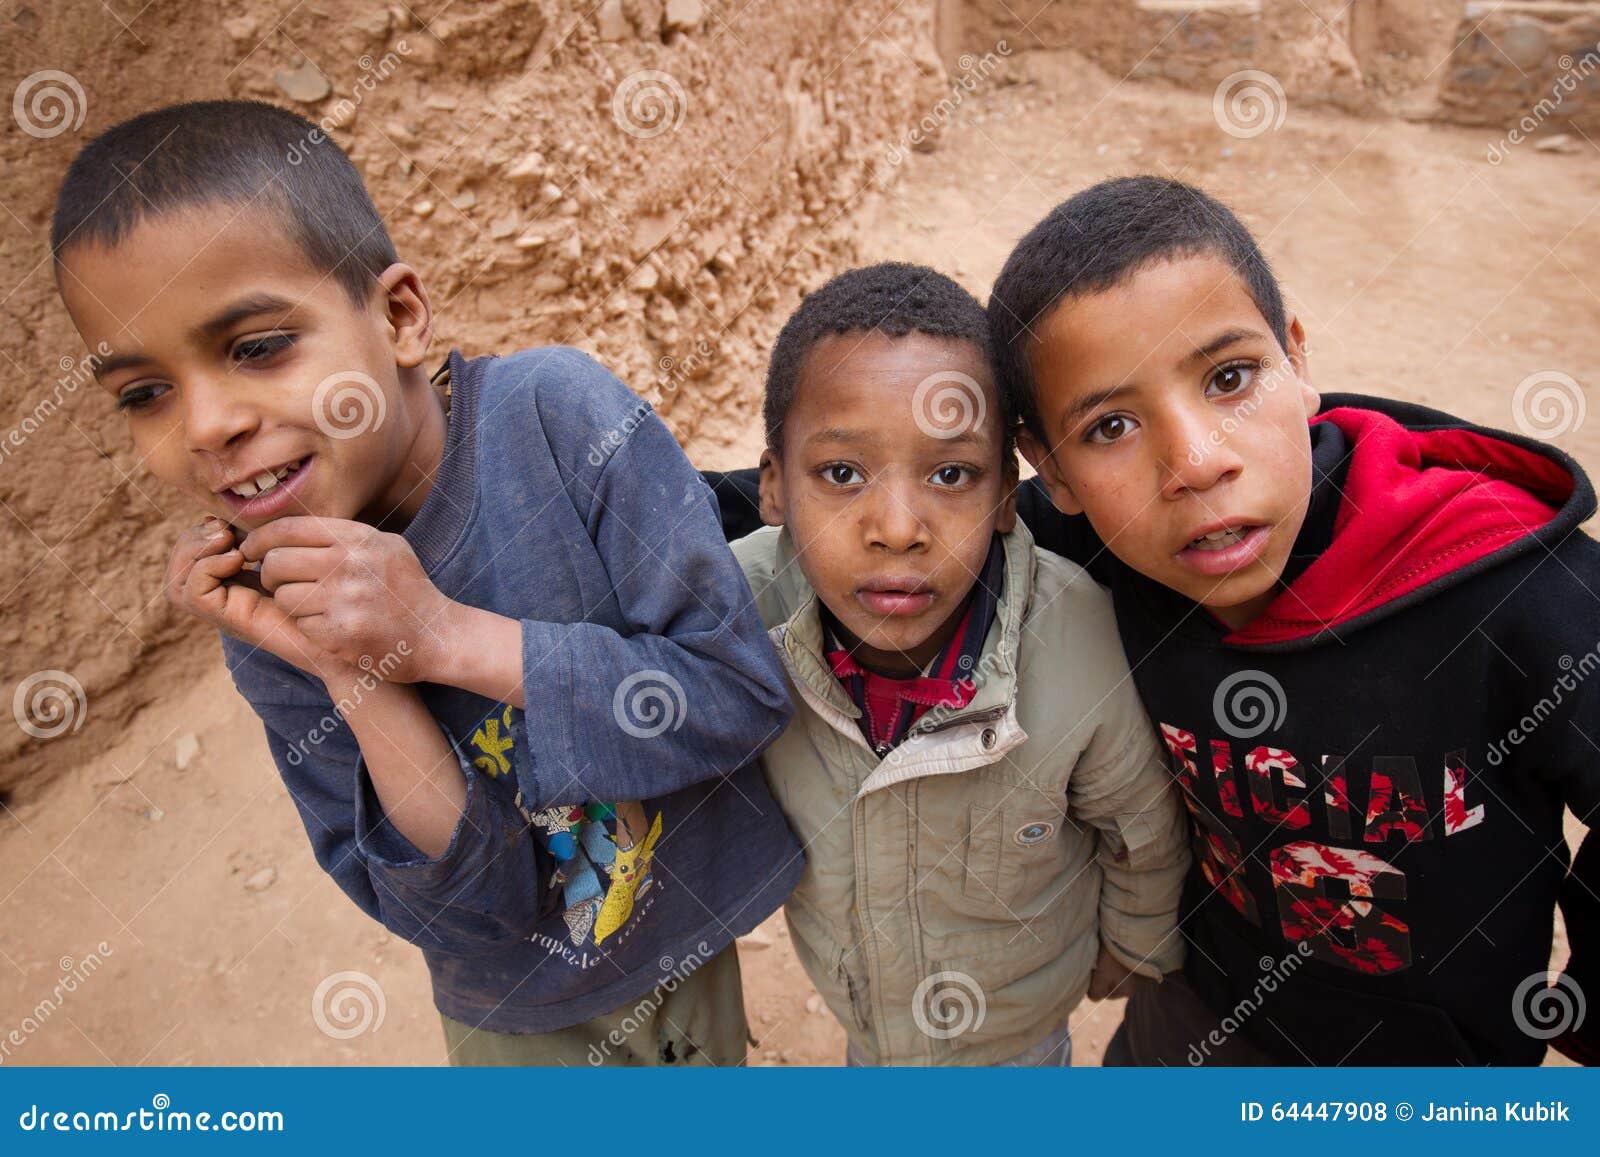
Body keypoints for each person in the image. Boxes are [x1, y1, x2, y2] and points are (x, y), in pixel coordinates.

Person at [51, 100, 802, 1066]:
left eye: (256, 347)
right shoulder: (264, 608)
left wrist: (444, 638)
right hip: (511, 1015)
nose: (204, 425)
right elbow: (468, 912)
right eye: (144, 394)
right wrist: (351, 677)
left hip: (680, 927)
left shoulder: (562, 426)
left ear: (400, 316)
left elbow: (735, 697)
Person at [983, 175, 1598, 1065]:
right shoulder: (1097, 543)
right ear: (1055, 470)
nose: (1194, 464)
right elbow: (874, 521)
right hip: (1195, 1022)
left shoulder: (1507, 587)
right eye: (1112, 425)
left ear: (1297, 360)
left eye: (1230, 378)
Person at [718, 262, 1189, 1066]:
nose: (898, 528)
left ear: (1007, 493)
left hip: (1016, 1025)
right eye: (841, 474)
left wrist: (1138, 946)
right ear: (774, 488)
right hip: (862, 1010)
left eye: (950, 474)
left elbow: (1140, 826)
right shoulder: (735, 614)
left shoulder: (1077, 638)